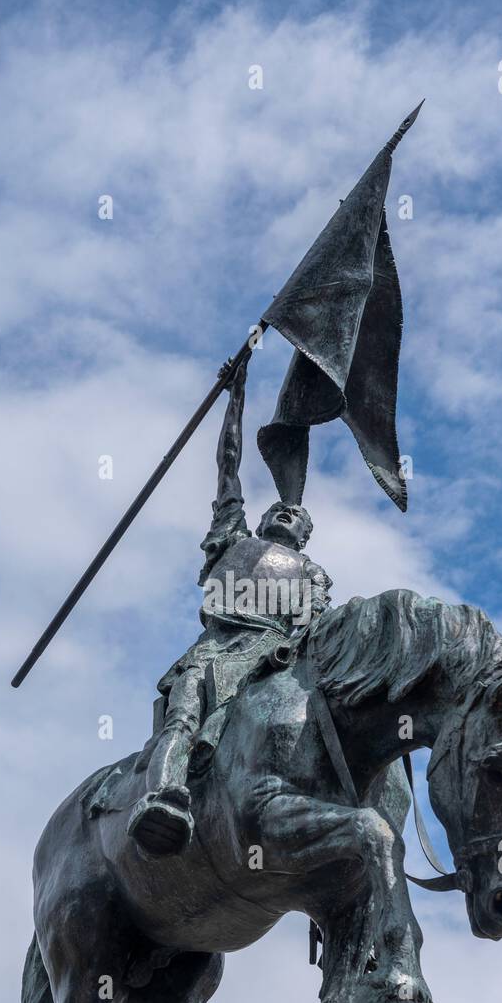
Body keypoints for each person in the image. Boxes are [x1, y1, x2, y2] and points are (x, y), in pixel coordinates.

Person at [127, 354, 332, 856]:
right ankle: (163, 796)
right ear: (261, 522)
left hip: (270, 659)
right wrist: (234, 394)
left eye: (299, 517)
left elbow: (313, 627)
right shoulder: (232, 539)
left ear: (304, 538)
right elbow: (229, 464)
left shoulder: (313, 574)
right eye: (281, 509)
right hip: (216, 649)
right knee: (183, 716)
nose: (289, 512)